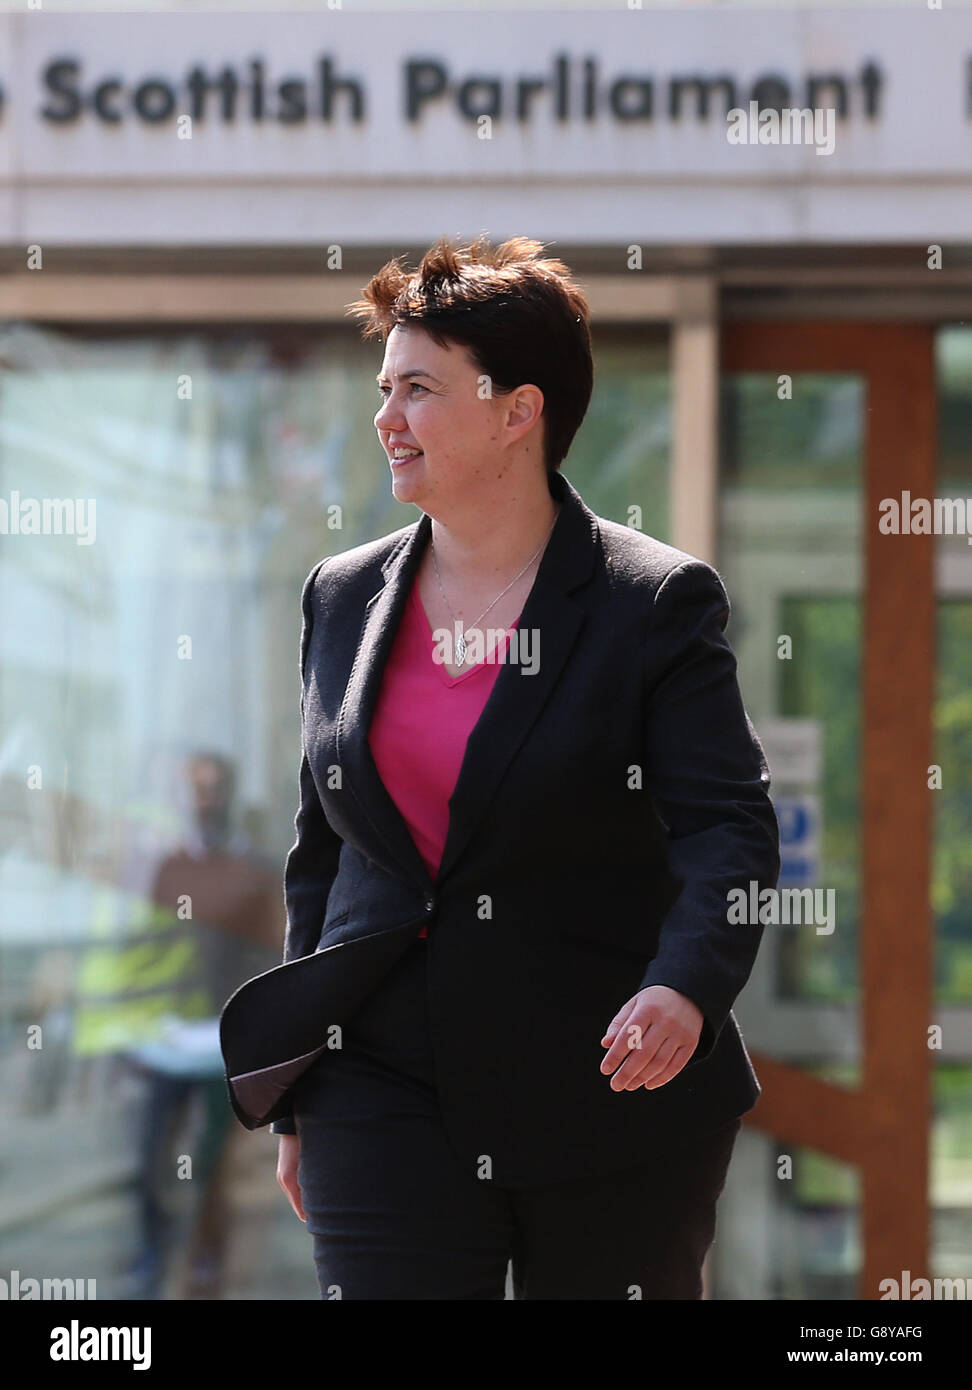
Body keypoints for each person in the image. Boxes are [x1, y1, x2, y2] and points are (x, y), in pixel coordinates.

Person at [268, 235, 780, 1300]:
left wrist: (685, 987)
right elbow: (324, 847)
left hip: (610, 1078)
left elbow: (726, 827)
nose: (386, 418)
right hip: (381, 1081)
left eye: (419, 388)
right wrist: (298, 1077)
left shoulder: (654, 605)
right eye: (384, 388)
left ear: (518, 411)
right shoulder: (340, 596)